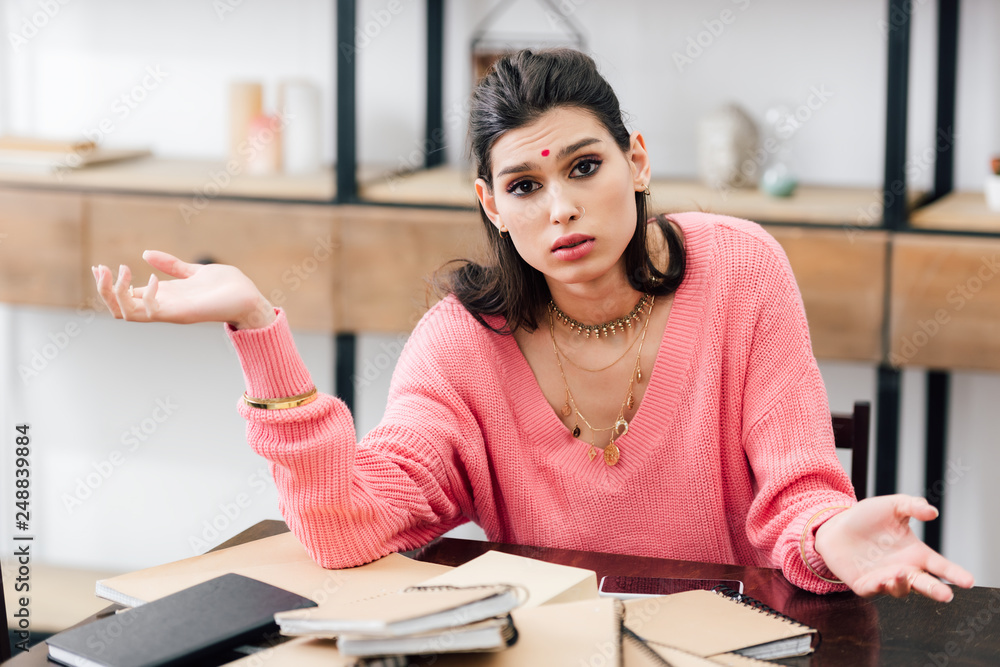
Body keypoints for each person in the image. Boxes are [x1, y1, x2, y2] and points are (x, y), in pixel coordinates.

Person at [93, 48, 972, 601]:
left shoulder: (741, 270)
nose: (562, 208)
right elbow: (348, 531)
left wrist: (828, 534)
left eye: (585, 166)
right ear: (490, 205)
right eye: (524, 186)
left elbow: (797, 495)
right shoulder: (460, 341)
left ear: (635, 162)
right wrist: (259, 329)